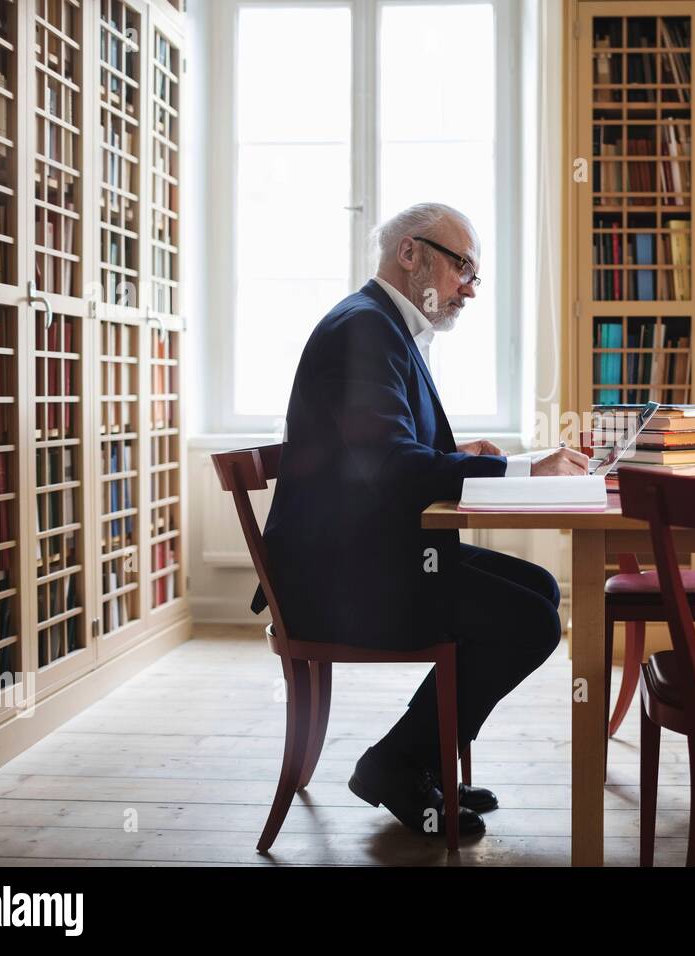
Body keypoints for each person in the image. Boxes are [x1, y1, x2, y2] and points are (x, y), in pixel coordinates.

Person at [252, 202, 588, 837]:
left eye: (474, 276)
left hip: (368, 556)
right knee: (531, 618)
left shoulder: (380, 326)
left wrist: (464, 457)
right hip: (341, 584)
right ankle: (399, 763)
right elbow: (390, 465)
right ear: (410, 254)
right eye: (463, 266)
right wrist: (522, 470)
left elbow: (381, 458)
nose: (469, 287)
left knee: (540, 589)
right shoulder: (363, 329)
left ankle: (422, 757)